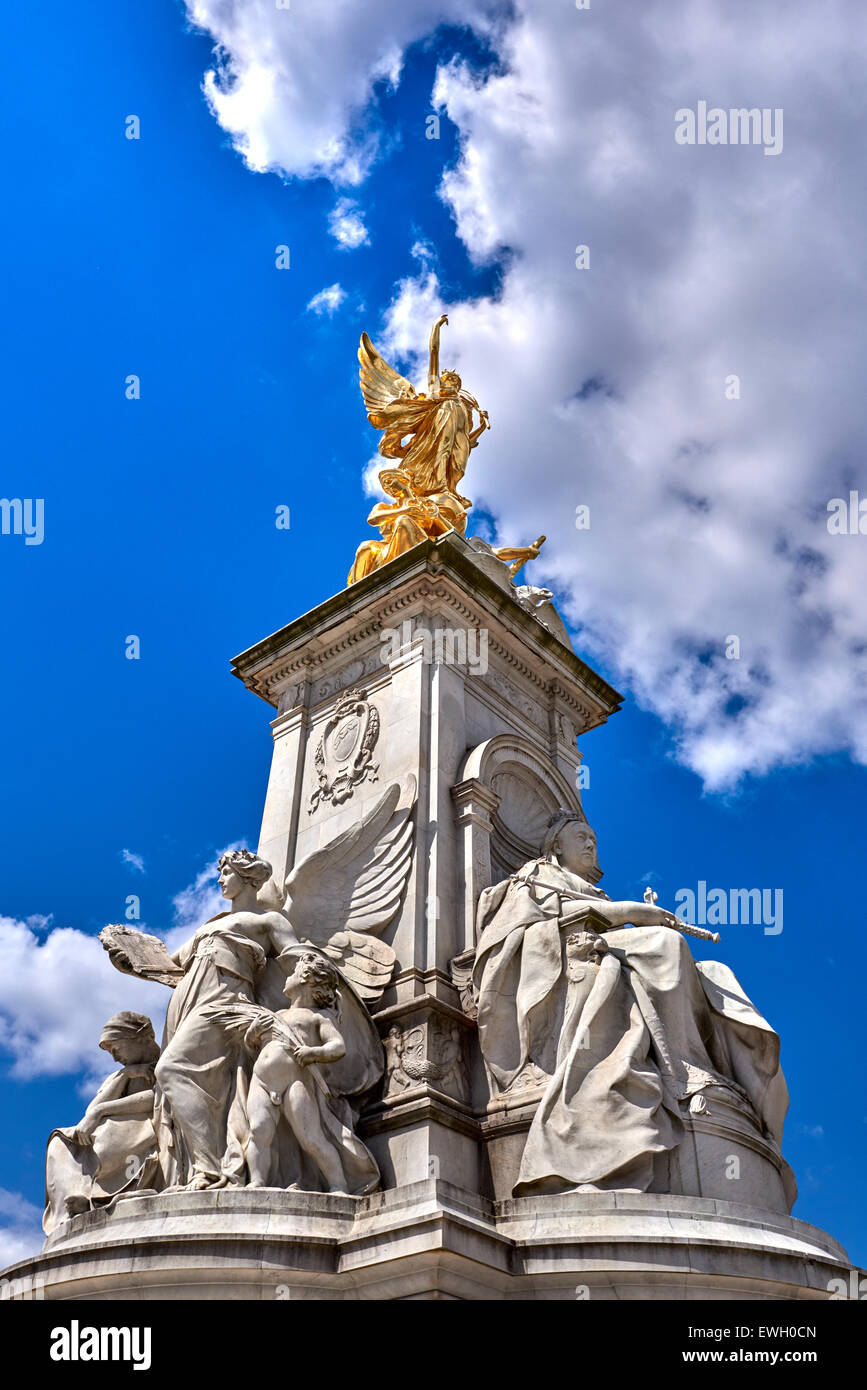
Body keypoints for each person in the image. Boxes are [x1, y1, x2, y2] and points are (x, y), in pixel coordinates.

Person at [473, 811, 794, 1200]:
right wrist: (634, 913)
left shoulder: (589, 890)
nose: (591, 843)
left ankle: (699, 1065)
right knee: (666, 945)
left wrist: (632, 919)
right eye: (580, 837)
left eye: (593, 837)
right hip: (566, 955)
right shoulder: (536, 876)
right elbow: (524, 927)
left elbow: (601, 919)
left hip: (601, 950)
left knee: (713, 970)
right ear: (556, 846)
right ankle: (684, 1071)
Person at [153, 848, 299, 1190]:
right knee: (194, 1079)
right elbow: (170, 964)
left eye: (226, 873)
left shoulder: (269, 921)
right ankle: (203, 1165)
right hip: (190, 1005)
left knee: (170, 1069)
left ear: (247, 878)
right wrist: (132, 954)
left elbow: (299, 961)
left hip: (225, 1004)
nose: (220, 880)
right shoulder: (212, 925)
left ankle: (208, 1168)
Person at [242, 954, 380, 1195]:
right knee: (258, 1130)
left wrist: (313, 1052)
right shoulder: (277, 1015)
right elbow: (251, 1046)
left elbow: (337, 1047)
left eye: (292, 973)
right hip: (262, 1080)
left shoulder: (318, 1017)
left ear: (306, 980)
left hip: (296, 1082)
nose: (286, 978)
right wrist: (252, 1034)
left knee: (311, 1138)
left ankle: (339, 1185)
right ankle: (257, 1181)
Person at [44, 1012, 163, 1233]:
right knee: (59, 1142)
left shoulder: (166, 1062)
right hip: (115, 1129)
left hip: (149, 1125)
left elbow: (159, 1098)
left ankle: (97, 1197)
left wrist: (102, 1111)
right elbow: (91, 1112)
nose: (115, 1058)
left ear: (140, 1038)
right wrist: (127, 1075)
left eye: (117, 1048)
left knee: (108, 1135)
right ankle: (80, 1200)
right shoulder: (122, 1073)